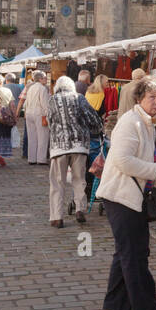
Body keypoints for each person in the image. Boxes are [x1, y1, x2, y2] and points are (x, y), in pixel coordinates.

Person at [96, 76, 156, 310]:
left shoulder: (146, 123)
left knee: (127, 252)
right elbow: (122, 161)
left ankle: (115, 304)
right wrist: (155, 172)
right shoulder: (131, 122)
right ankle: (145, 308)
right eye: (152, 97)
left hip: (131, 197)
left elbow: (135, 155)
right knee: (135, 254)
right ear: (139, 98)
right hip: (122, 196)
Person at [47, 75, 103, 227]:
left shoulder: (52, 100)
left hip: (59, 147)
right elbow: (93, 119)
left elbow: (50, 122)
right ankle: (80, 209)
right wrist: (96, 129)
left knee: (57, 182)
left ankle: (57, 217)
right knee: (79, 179)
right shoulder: (79, 98)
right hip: (79, 145)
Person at [24, 70, 51, 164]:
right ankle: (41, 159)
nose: (46, 79)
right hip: (39, 114)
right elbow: (45, 104)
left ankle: (31, 159)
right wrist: (49, 115)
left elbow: (26, 102)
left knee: (32, 137)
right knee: (42, 136)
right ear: (40, 79)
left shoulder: (30, 88)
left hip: (29, 113)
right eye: (45, 78)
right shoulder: (42, 88)